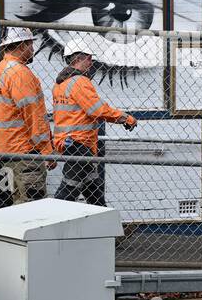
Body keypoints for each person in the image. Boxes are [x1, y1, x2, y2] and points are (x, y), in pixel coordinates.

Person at [51, 39, 137, 206]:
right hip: (79, 144)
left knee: (93, 191)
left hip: (69, 142)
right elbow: (97, 109)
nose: (91, 62)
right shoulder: (80, 82)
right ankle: (49, 225)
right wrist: (126, 118)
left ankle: (107, 226)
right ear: (78, 58)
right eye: (89, 58)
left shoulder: (60, 83)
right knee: (67, 192)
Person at [0, 26, 55, 207]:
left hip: (5, 148)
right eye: (31, 44)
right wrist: (47, 151)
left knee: (15, 204)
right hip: (25, 151)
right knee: (32, 207)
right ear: (23, 45)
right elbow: (33, 115)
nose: (33, 49)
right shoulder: (20, 73)